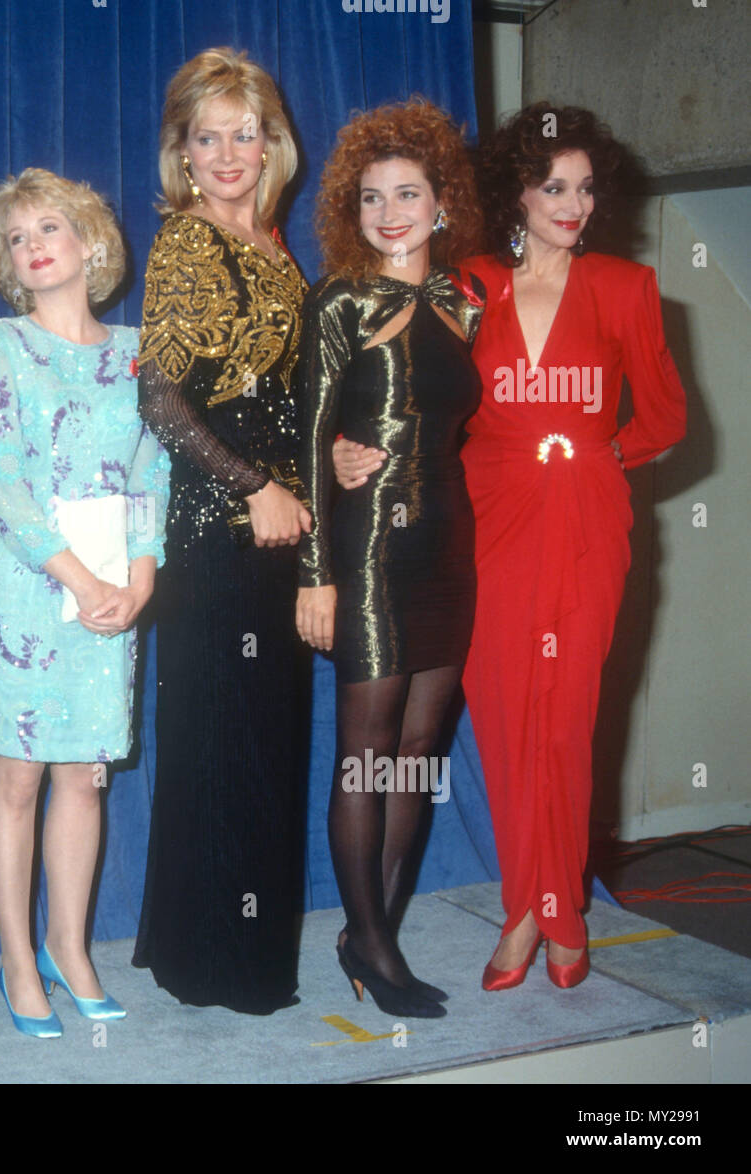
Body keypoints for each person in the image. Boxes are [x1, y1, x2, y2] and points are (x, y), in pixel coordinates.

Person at [332, 103, 686, 990]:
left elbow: (670, 420)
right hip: (483, 518)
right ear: (514, 194)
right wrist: (347, 445)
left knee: (565, 721)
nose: (573, 204)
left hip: (585, 520)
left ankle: (554, 909)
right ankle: (525, 906)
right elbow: (407, 394)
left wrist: (596, 455)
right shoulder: (468, 285)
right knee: (501, 716)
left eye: (586, 188)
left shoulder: (627, 288)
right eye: (551, 186)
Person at [295, 100, 486, 1019]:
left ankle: (374, 929)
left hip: (449, 541)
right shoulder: (340, 298)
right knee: (366, 755)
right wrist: (314, 573)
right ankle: (369, 942)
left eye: (407, 193)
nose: (390, 212)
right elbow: (308, 438)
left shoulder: (465, 302)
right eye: (371, 198)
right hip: (368, 543)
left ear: (442, 202)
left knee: (417, 751)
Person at [132, 48, 310, 1015]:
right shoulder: (187, 243)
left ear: (272, 143)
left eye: (247, 132)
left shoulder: (276, 245)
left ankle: (223, 951)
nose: (230, 151)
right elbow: (159, 397)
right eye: (210, 135)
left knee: (263, 732)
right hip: (220, 513)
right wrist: (251, 489)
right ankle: (216, 964)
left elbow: (289, 388)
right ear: (184, 153)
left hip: (273, 512)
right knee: (222, 731)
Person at [0, 168, 168, 1037]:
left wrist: (141, 579)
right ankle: (18, 961)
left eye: (48, 226)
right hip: (30, 587)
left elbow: (150, 470)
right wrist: (83, 581)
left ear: (90, 240)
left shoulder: (137, 349)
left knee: (85, 777)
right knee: (17, 778)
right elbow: (4, 484)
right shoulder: (3, 344)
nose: (32, 245)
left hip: (114, 592)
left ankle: (70, 946)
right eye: (16, 237)